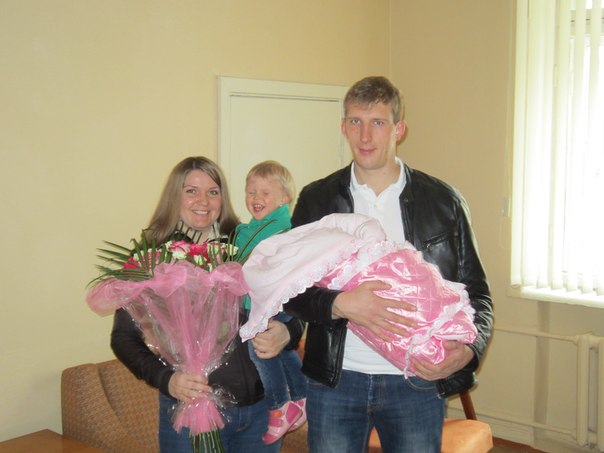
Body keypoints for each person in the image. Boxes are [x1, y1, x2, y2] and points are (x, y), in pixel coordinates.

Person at [284, 76, 494, 453]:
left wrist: (469, 350)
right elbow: (291, 290)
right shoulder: (317, 200)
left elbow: (478, 295)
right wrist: (339, 304)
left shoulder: (444, 202)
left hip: (416, 382)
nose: (365, 136)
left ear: (399, 129)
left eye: (378, 122)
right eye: (356, 121)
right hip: (336, 381)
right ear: (343, 126)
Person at [110, 156, 304, 453]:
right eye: (191, 191)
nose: (203, 201)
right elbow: (123, 337)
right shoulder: (152, 258)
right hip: (192, 410)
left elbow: (295, 300)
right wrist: (167, 380)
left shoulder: (245, 242)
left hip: (261, 411)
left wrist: (288, 332)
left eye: (213, 191)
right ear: (174, 196)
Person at [234, 160, 308, 444]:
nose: (256, 198)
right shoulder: (249, 229)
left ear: (284, 198)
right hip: (259, 305)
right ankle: (301, 396)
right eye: (251, 192)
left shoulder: (283, 229)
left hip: (273, 304)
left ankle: (279, 406)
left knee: (260, 351)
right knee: (281, 353)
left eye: (265, 193)